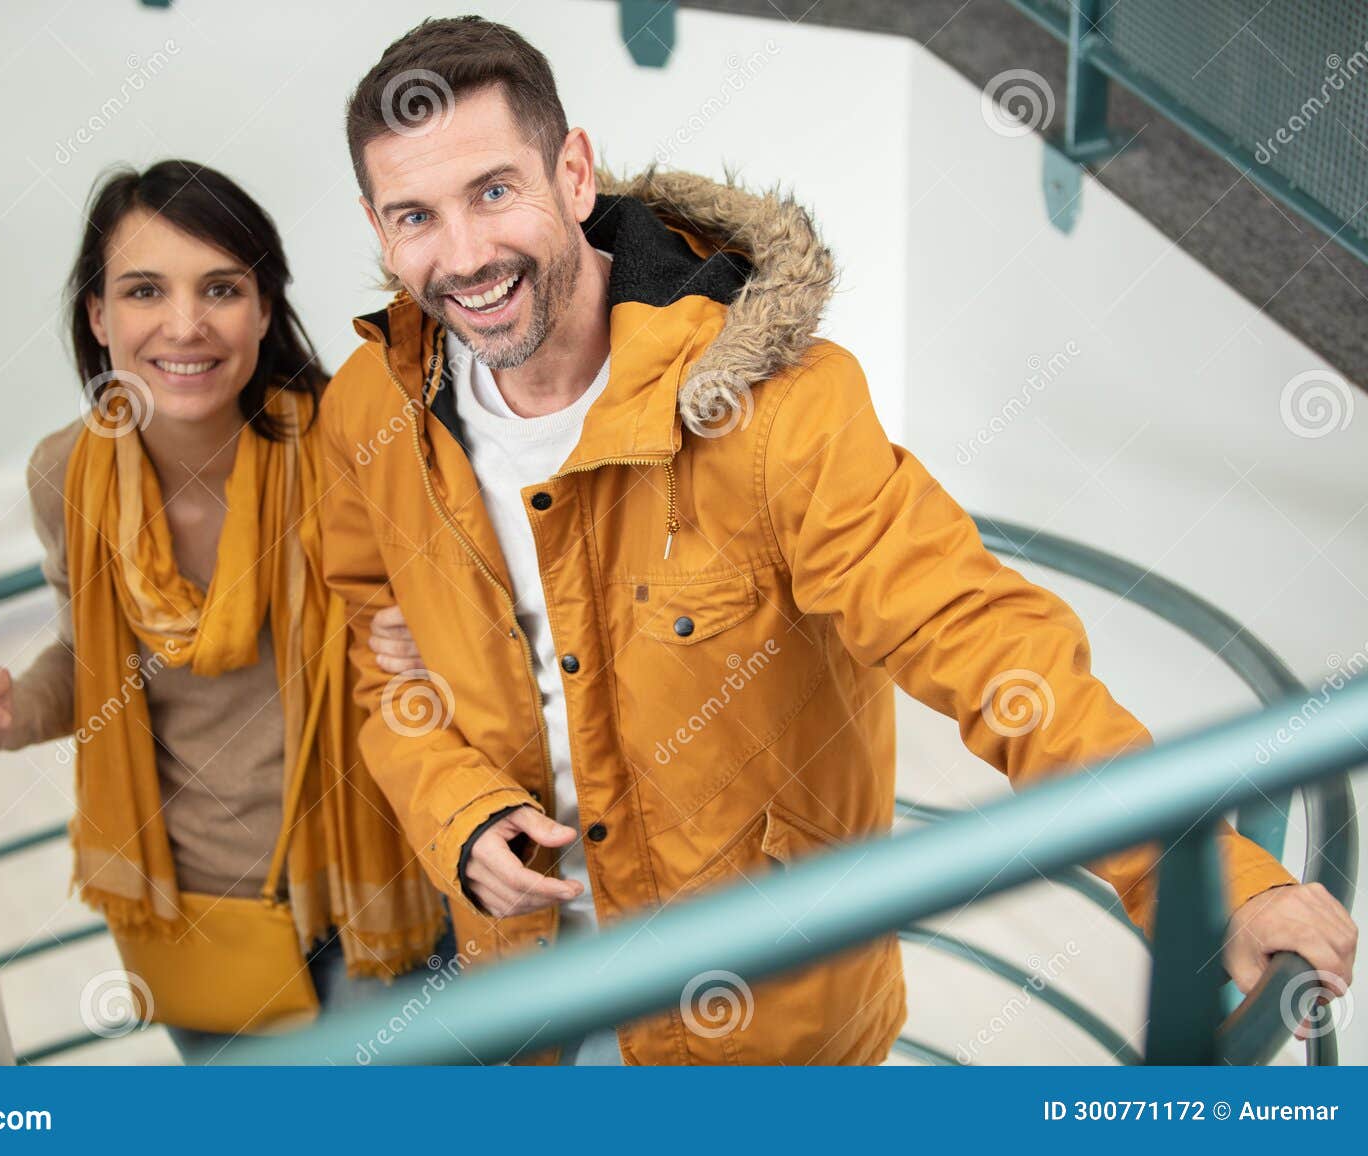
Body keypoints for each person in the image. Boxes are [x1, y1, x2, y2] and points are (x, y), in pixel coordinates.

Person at [316, 17, 1358, 1065]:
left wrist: (1207, 871)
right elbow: (380, 663)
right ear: (376, 225)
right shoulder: (369, 413)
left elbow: (984, 641)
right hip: (524, 1002)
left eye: (495, 191)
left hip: (760, 1037)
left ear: (574, 174)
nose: (462, 256)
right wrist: (458, 811)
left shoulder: (778, 418)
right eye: (415, 215)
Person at [0, 160, 451, 1063]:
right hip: (203, 908)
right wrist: (6, 711)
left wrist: (434, 641)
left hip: (382, 875)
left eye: (221, 288)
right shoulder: (68, 475)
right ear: (99, 317)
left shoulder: (348, 444)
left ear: (262, 308)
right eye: (143, 291)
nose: (185, 325)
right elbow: (89, 659)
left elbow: (457, 636)